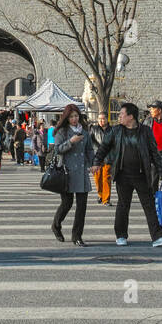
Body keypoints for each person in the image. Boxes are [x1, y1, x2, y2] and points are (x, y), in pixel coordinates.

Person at [93, 102, 162, 247]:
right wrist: (97, 162)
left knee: (149, 205)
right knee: (123, 205)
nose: (119, 117)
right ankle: (121, 235)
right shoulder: (115, 131)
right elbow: (103, 148)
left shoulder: (145, 131)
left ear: (131, 117)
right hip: (123, 175)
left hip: (142, 174)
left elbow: (154, 153)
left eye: (122, 114)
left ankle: (158, 237)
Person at [50, 105, 96, 246]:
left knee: (82, 206)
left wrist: (93, 164)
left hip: (81, 172)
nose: (74, 119)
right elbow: (57, 150)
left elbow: (89, 150)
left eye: (76, 116)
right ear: (66, 118)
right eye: (71, 117)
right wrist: (70, 142)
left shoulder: (85, 131)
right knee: (67, 203)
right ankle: (56, 225)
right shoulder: (62, 132)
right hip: (67, 172)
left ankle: (77, 236)